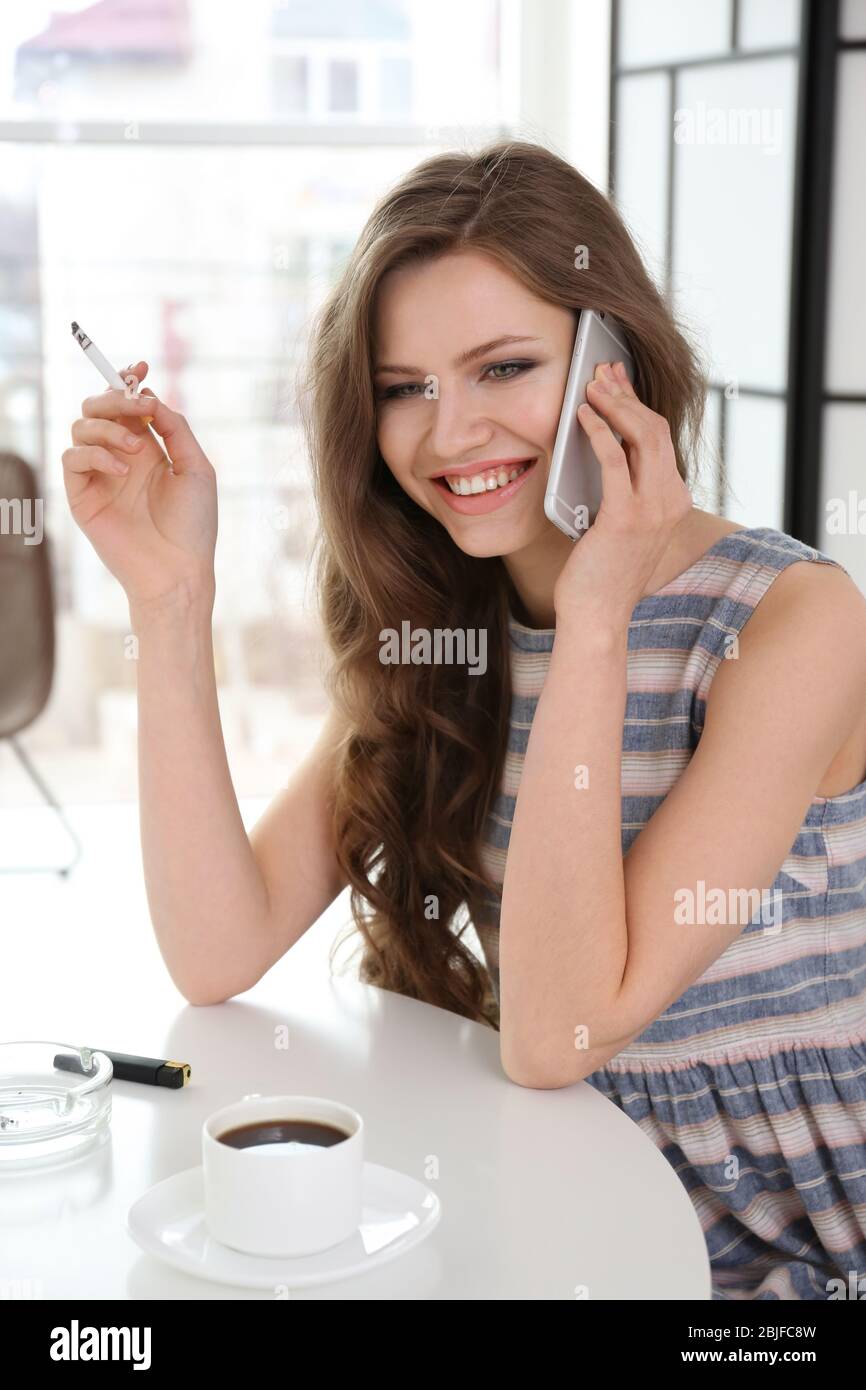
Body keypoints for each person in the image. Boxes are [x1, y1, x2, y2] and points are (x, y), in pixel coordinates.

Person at [62, 139, 866, 1300]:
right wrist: (170, 598)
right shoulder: (446, 630)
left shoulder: (794, 623)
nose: (448, 435)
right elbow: (215, 946)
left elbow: (555, 1035)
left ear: (612, 363)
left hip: (795, 1269)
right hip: (569, 1216)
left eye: (501, 368)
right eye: (405, 387)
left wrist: (594, 618)